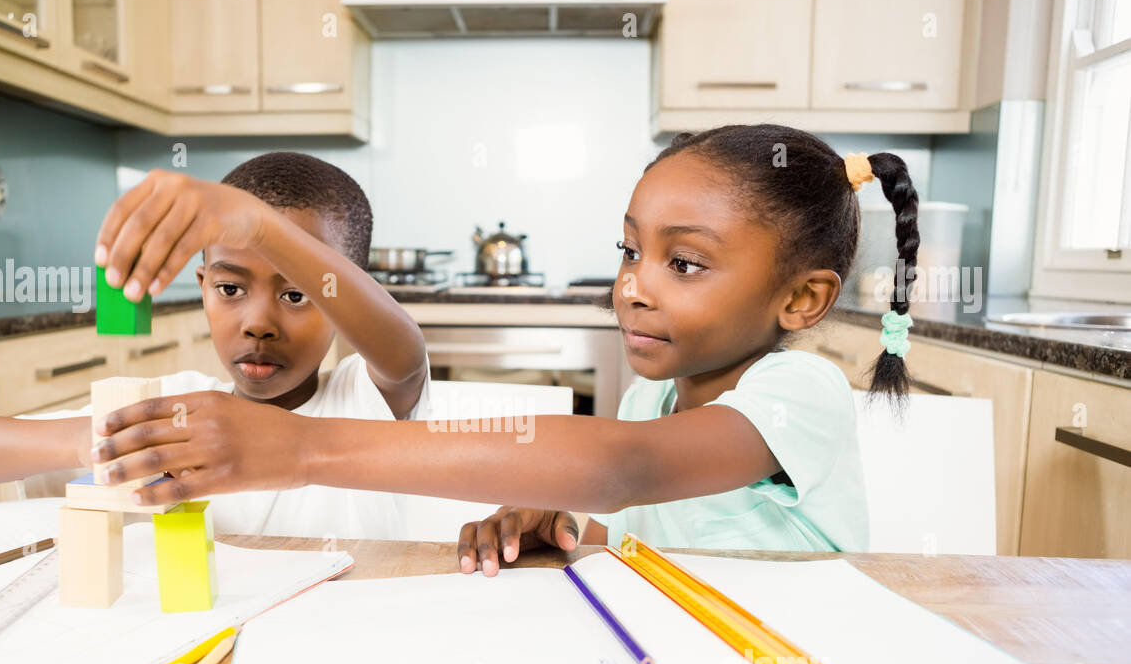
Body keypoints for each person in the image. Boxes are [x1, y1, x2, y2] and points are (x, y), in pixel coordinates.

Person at [87, 126, 920, 573]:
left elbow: (626, 467)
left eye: (684, 263)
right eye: (630, 251)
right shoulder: (652, 401)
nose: (633, 285)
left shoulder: (800, 390)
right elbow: (662, 535)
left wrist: (303, 446)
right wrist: (567, 528)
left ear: (803, 298)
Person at [0, 152, 431, 538]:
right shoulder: (172, 405)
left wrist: (259, 225)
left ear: (343, 295)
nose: (258, 323)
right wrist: (99, 441)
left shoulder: (367, 401)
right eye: (230, 290)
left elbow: (403, 354)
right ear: (202, 285)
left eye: (296, 293)